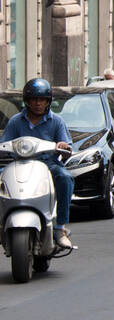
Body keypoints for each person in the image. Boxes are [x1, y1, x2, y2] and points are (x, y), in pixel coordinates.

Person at [0, 77, 75, 251]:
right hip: (19, 165)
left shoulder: (56, 121)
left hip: (48, 166)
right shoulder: (16, 121)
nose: (37, 103)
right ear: (27, 101)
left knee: (65, 178)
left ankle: (59, 227)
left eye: (42, 99)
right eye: (34, 99)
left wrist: (63, 146)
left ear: (48, 101)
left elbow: (67, 146)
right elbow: (5, 144)